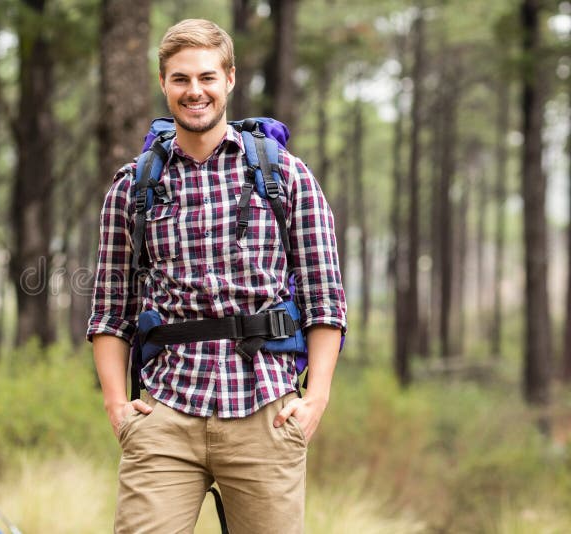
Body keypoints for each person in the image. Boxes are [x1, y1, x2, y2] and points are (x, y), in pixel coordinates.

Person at [87, 18, 347, 534]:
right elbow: (110, 313)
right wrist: (120, 409)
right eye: (181, 79)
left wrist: (314, 400)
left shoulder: (285, 176)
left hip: (265, 411)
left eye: (207, 77)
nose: (194, 91)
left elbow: (326, 302)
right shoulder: (132, 187)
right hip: (166, 415)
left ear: (229, 78)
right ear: (163, 84)